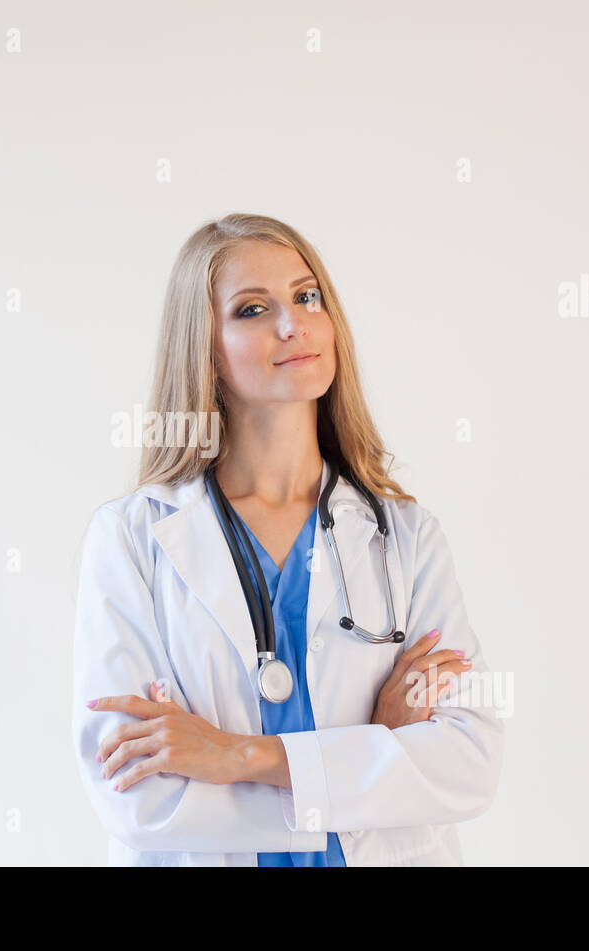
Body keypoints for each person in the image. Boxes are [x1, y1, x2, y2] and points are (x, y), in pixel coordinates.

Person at [71, 213, 505, 866]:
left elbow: (469, 764)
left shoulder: (405, 538)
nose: (292, 324)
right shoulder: (133, 540)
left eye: (307, 297)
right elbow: (141, 801)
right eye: (252, 309)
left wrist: (237, 756)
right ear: (205, 348)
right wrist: (370, 754)